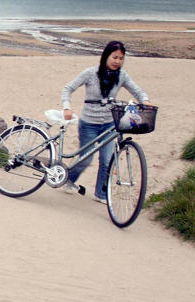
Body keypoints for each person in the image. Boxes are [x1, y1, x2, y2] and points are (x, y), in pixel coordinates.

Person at [61, 41, 152, 203]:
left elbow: (137, 90)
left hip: (110, 124)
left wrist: (145, 100)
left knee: (107, 160)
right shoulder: (90, 73)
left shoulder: (122, 75)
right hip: (89, 123)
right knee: (86, 159)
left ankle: (101, 194)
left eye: (121, 58)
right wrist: (67, 107)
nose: (117, 61)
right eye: (114, 57)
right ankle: (68, 179)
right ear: (106, 56)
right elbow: (68, 88)